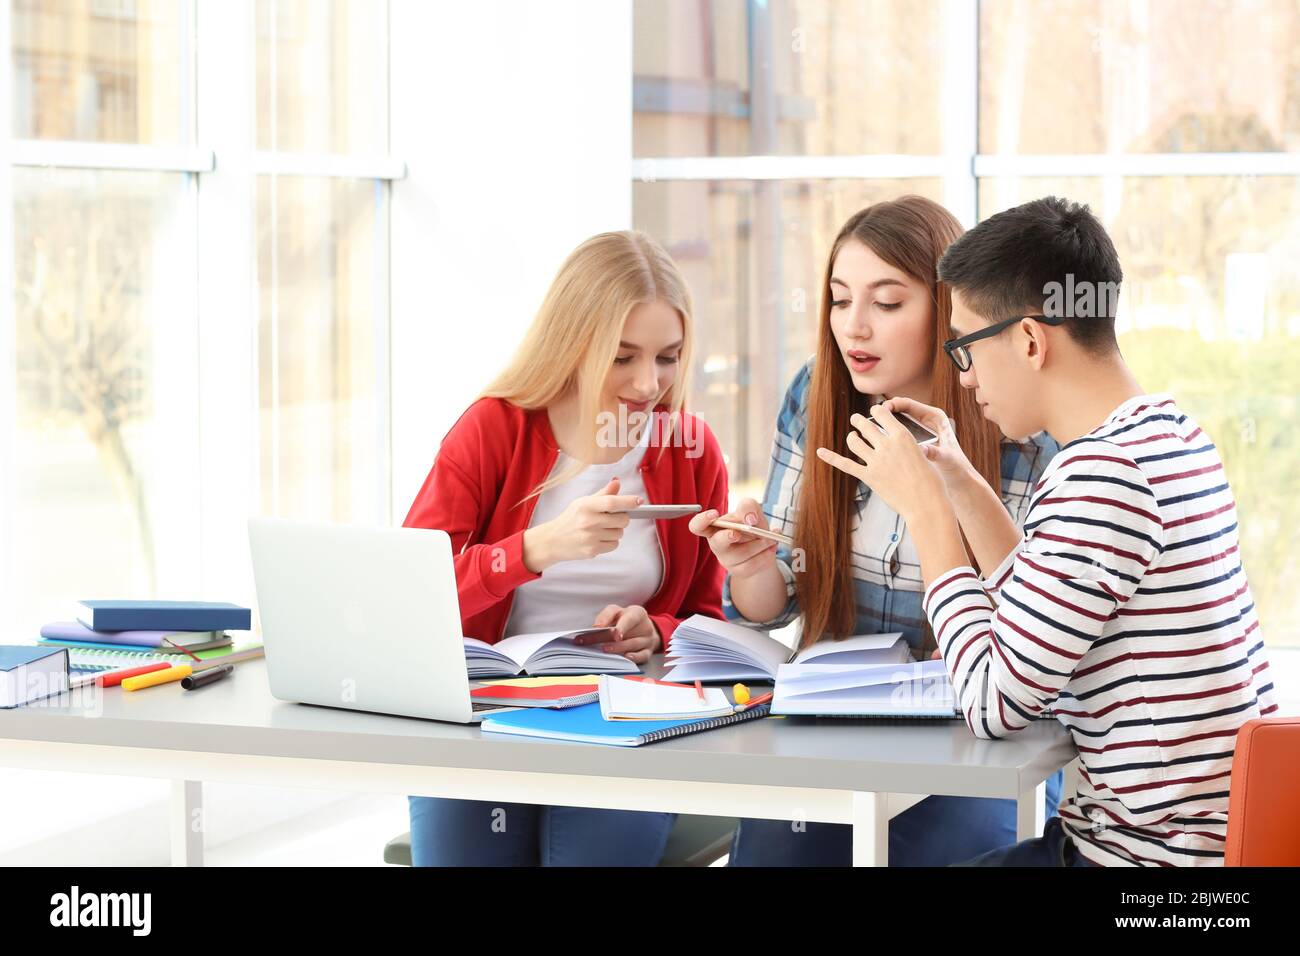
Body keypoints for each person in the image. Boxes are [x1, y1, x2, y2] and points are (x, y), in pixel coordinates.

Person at [817, 196, 1277, 865]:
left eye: (966, 348)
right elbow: (1036, 611)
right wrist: (957, 478)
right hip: (1173, 845)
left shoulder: (1100, 476)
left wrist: (925, 515)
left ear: (1030, 341)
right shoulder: (1169, 435)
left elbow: (994, 702)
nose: (964, 377)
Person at [689, 195, 1062, 866]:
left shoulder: (1019, 427)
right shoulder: (815, 396)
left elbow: (1035, 648)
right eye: (838, 300)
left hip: (976, 739)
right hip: (834, 729)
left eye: (887, 304)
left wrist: (933, 503)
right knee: (778, 846)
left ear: (949, 314)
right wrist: (750, 567)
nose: (854, 327)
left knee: (962, 848)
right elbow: (784, 600)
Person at [403, 230, 729, 866]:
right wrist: (532, 549)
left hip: (622, 716)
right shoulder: (492, 430)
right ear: (574, 342)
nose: (648, 383)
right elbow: (412, 590)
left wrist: (656, 629)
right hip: (480, 712)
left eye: (668, 357)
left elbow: (707, 616)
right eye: (623, 356)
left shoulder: (689, 448)